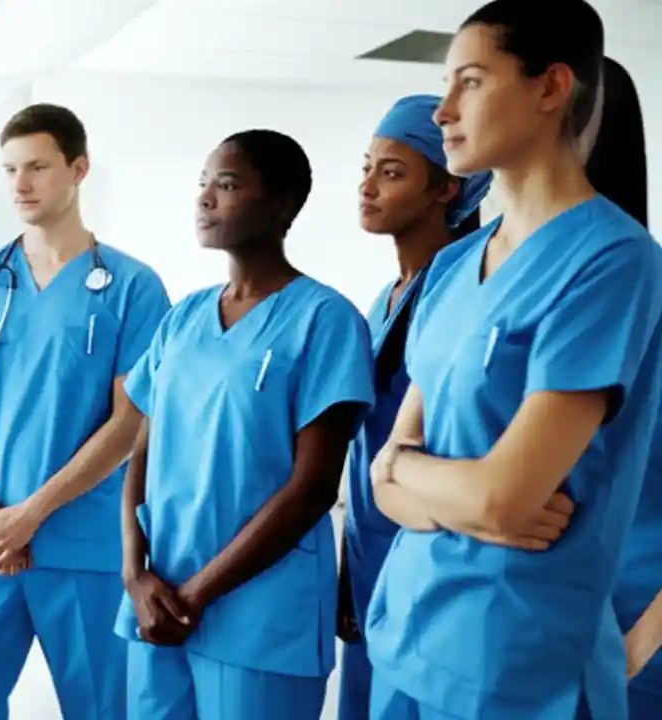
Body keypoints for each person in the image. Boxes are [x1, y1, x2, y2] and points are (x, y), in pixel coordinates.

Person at [363, 2, 662, 718]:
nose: (442, 111)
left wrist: (413, 471)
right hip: (407, 637)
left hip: (516, 667)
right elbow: (384, 483)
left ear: (550, 87)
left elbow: (506, 499)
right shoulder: (454, 266)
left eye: (470, 81)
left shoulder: (612, 261)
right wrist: (415, 475)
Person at [116, 129, 373, 719]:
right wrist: (135, 575)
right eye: (203, 183)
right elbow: (141, 454)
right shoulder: (183, 318)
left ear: (281, 205)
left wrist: (197, 595)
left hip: (258, 615)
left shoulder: (323, 320)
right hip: (158, 603)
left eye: (227, 185)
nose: (205, 198)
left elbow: (312, 489)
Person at [0, 103, 171, 719]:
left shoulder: (131, 286)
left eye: (37, 166)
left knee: (100, 708)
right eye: (10, 169)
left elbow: (128, 422)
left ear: (79, 169)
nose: (20, 183)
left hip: (79, 543)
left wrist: (31, 514)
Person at [336, 95, 491, 720]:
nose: (367, 187)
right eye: (366, 167)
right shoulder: (386, 299)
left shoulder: (463, 285)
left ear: (447, 189)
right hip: (374, 554)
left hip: (434, 560)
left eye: (392, 172)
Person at [587, 57, 662, 720]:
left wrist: (640, 645)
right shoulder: (494, 285)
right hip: (533, 623)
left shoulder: (648, 286)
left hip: (638, 623)